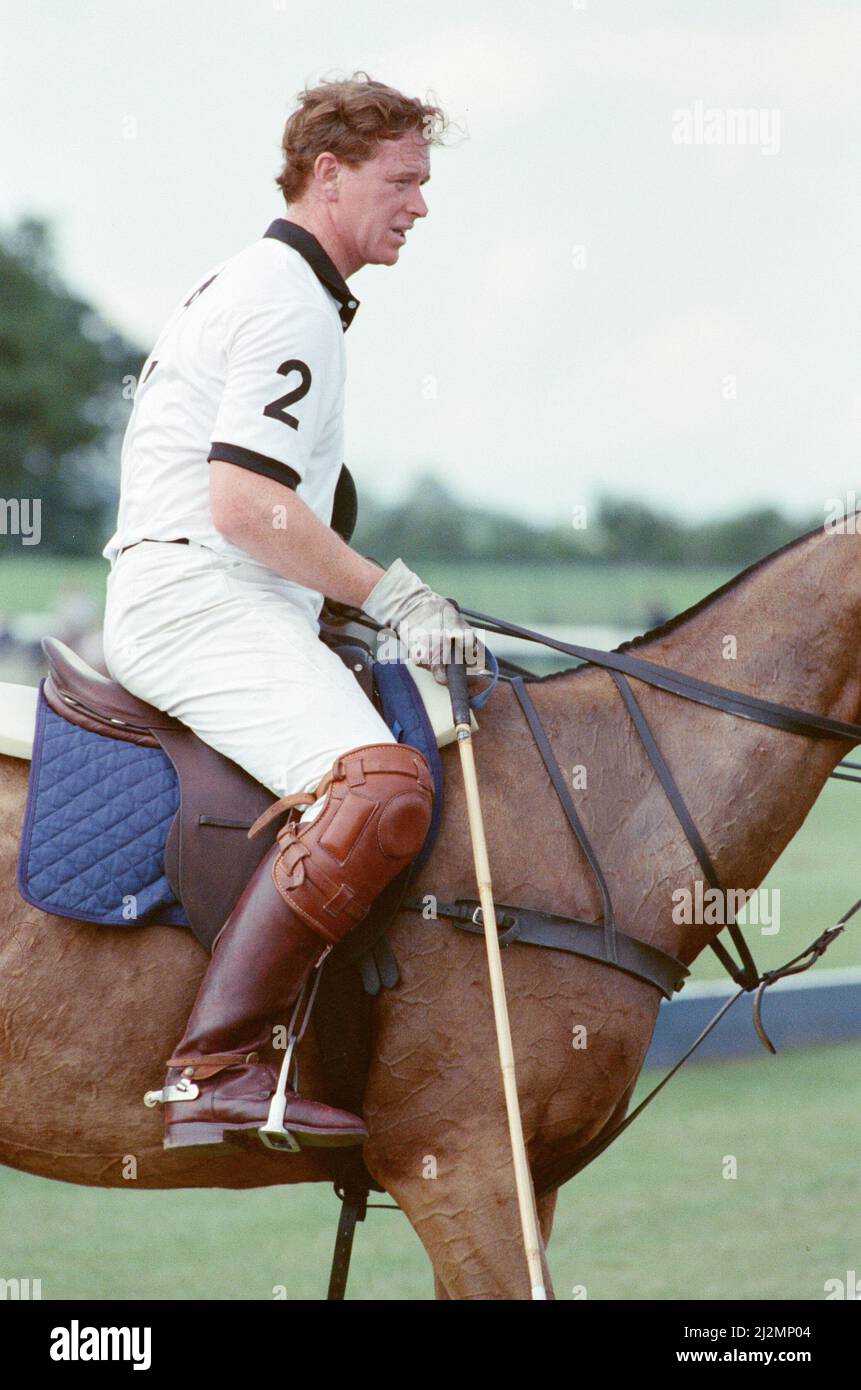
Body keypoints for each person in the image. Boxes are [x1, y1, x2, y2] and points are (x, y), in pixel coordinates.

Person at [101, 73, 484, 1153]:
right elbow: (246, 504)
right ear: (329, 173)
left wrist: (342, 607)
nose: (419, 205)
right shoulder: (288, 301)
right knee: (384, 786)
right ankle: (213, 1068)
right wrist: (395, 598)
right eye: (402, 180)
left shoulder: (277, 287)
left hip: (223, 595)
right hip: (199, 600)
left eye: (424, 183)